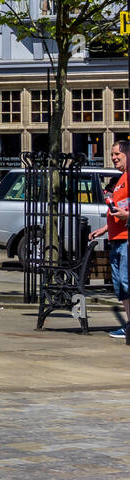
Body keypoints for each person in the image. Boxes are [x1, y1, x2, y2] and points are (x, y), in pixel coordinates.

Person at [89, 139, 129, 339]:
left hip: (126, 240)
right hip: (116, 238)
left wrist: (127, 217)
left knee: (126, 282)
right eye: (112, 154)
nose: (113, 158)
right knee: (120, 285)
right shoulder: (122, 178)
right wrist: (105, 228)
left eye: (117, 155)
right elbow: (120, 209)